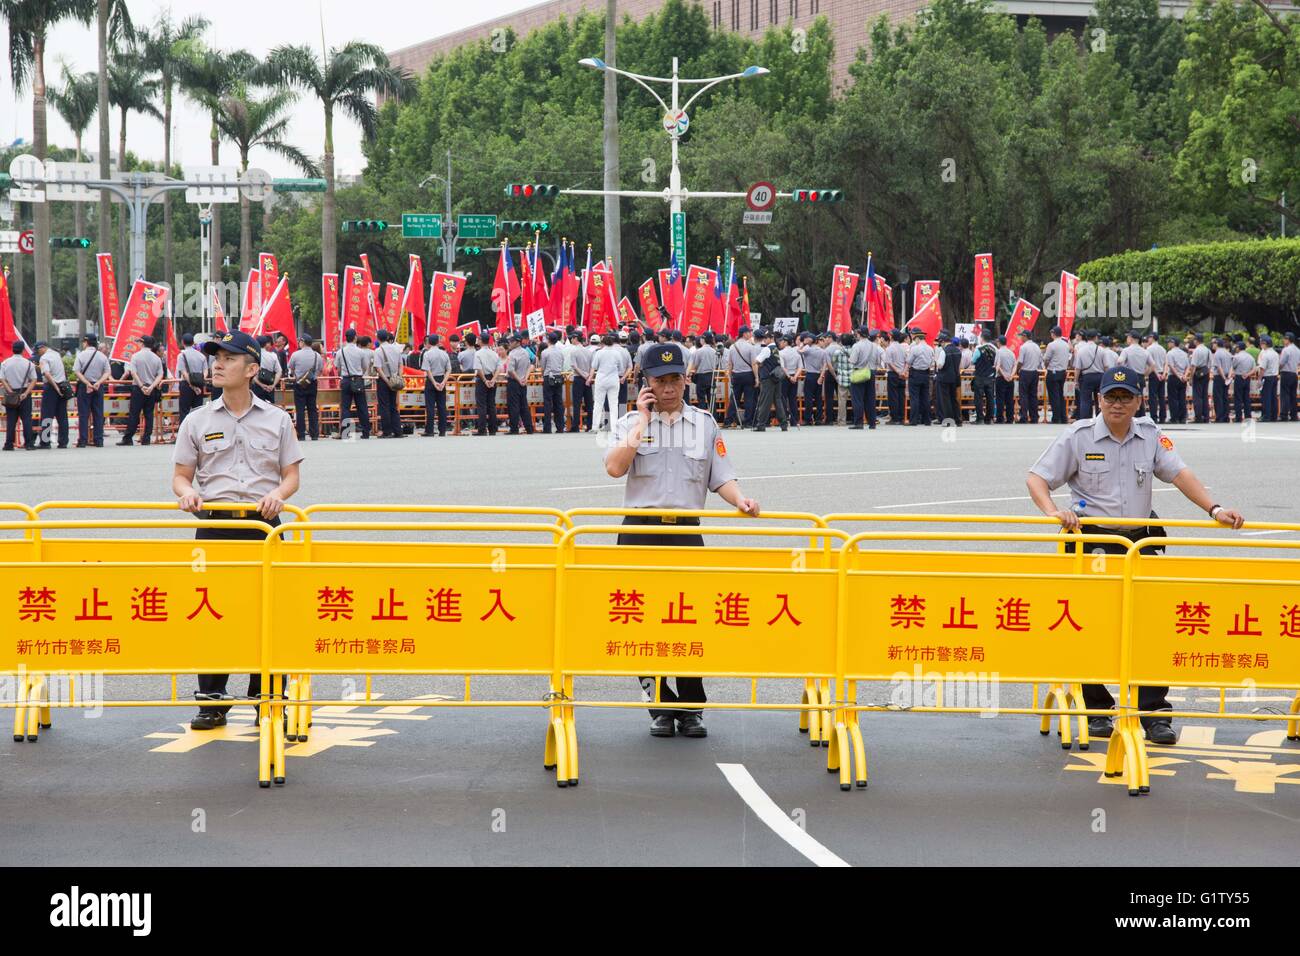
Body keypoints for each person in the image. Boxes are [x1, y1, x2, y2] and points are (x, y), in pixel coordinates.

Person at [1026, 365, 1244, 746]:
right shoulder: (1078, 436)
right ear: (1099, 400)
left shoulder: (1151, 436)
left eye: (1126, 398)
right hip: (1092, 540)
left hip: (1141, 540)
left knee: (1151, 624)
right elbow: (1037, 477)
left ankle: (1153, 712)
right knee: (1089, 623)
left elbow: (1180, 474)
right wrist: (1052, 512)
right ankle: (1097, 709)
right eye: (1111, 397)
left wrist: (1214, 509)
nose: (1118, 404)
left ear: (1139, 402)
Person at [603, 342, 760, 738]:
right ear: (646, 383)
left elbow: (720, 476)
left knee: (689, 618)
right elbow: (614, 468)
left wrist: (740, 500)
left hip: (686, 532)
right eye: (660, 380)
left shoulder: (705, 424)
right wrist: (642, 421)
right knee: (639, 620)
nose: (669, 388)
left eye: (675, 380)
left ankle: (691, 708)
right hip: (639, 530)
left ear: (686, 380)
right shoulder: (628, 424)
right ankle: (659, 706)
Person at [172, 330, 303, 731]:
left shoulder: (278, 419)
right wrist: (187, 494)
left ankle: (267, 700)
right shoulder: (197, 420)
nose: (217, 364)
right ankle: (211, 701)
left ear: (251, 369)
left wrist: (279, 495)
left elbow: (291, 475)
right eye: (216, 357)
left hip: (264, 528)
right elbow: (180, 476)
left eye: (228, 358)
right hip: (215, 527)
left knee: (269, 613)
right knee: (212, 611)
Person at [118, 336, 164, 446]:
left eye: (139, 341)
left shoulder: (135, 356)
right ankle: (146, 438)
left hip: (138, 389)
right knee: (149, 414)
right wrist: (152, 386)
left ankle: (128, 438)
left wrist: (142, 386)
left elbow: (133, 373)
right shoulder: (156, 358)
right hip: (151, 389)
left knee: (134, 414)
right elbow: (160, 374)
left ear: (142, 343)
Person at [73, 333, 110, 447]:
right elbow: (108, 372)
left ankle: (83, 440)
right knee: (98, 414)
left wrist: (87, 383)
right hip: (98, 387)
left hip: (85, 387)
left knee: (83, 414)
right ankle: (98, 440)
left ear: (86, 342)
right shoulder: (102, 356)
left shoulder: (81, 355)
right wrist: (98, 382)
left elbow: (77, 371)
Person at [335, 328, 373, 440]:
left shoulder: (340, 352)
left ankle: (346, 433)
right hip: (358, 379)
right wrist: (358, 372)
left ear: (346, 338)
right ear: (355, 338)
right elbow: (365, 366)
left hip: (346, 380)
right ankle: (366, 433)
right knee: (362, 406)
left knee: (346, 407)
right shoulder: (361, 351)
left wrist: (343, 374)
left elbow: (337, 367)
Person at [750, 328, 789, 431]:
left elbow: (756, 361)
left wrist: (761, 364)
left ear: (771, 338)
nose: (764, 340)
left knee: (764, 401)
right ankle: (784, 424)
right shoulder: (777, 350)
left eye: (766, 338)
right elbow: (781, 365)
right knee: (778, 400)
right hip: (777, 377)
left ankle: (761, 424)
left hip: (767, 379)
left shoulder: (767, 349)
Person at [1, 341, 38, 451]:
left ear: (13, 349)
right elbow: (34, 379)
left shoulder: (5, 363)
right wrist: (26, 393)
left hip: (11, 393)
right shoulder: (29, 363)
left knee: (11, 420)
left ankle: (9, 444)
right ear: (23, 350)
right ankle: (29, 443)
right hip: (24, 393)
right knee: (27, 419)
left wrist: (10, 390)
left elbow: (2, 378)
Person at [34, 341, 70, 449]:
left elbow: (47, 374)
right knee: (62, 416)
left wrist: (55, 387)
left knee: (46, 416)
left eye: (38, 350)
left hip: (51, 388)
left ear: (42, 348)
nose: (38, 353)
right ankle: (63, 442)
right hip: (63, 386)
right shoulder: (56, 354)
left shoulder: (44, 358)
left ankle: (45, 442)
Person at [287, 334, 323, 441]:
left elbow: (291, 368)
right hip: (312, 383)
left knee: (300, 409)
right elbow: (320, 370)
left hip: (299, 384)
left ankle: (301, 434)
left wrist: (298, 374)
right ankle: (314, 434)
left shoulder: (296, 355)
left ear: (302, 342)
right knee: (312, 409)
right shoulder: (317, 355)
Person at [374, 329, 406, 438]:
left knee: (384, 406)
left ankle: (387, 431)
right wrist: (399, 378)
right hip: (395, 378)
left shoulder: (378, 351)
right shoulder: (396, 349)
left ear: (378, 338)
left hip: (384, 380)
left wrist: (387, 382)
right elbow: (401, 365)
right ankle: (398, 431)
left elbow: (378, 368)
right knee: (394, 405)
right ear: (388, 337)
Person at [724, 326, 757, 428]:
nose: (750, 334)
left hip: (736, 375)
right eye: (749, 332)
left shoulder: (732, 347)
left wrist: (729, 376)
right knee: (749, 399)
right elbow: (754, 364)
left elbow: (730, 364)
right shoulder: (750, 347)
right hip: (748, 374)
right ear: (744, 334)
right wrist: (756, 377)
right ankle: (748, 421)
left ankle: (729, 420)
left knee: (734, 398)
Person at [850, 325, 882, 429]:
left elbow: (853, 361)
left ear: (859, 334)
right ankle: (872, 422)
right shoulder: (875, 346)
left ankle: (859, 422)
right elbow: (878, 361)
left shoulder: (857, 346)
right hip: (871, 372)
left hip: (859, 372)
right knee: (870, 398)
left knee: (858, 399)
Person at [420, 334, 450, 437]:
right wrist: (443, 382)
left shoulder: (427, 354)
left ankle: (430, 430)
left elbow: (427, 370)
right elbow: (449, 369)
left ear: (429, 342)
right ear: (438, 342)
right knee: (442, 406)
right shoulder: (444, 354)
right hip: (441, 379)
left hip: (431, 380)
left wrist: (433, 382)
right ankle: (442, 430)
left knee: (430, 407)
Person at [175, 333, 208, 424]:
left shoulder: (181, 355)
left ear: (182, 342)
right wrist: (201, 381)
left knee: (184, 411)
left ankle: (184, 434)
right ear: (193, 342)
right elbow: (205, 371)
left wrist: (192, 386)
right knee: (198, 411)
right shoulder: (201, 356)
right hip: (199, 385)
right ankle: (197, 433)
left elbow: (184, 373)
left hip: (186, 385)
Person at [539, 332, 566, 434]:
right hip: (558, 376)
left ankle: (547, 427)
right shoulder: (560, 352)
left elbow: (543, 367)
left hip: (548, 376)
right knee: (558, 402)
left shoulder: (545, 352)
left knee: (548, 402)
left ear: (548, 340)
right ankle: (560, 427)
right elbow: (562, 363)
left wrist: (543, 373)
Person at [1073, 329, 1103, 419]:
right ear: (1096, 338)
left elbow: (1077, 367)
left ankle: (1085, 420)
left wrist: (1076, 380)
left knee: (1085, 400)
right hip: (1099, 376)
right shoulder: (1101, 350)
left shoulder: (1081, 350)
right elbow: (1106, 366)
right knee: (1100, 400)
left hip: (1086, 377)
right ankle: (1100, 419)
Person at [567, 329, 593, 431]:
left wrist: (583, 375)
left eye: (572, 338)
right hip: (588, 379)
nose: (571, 340)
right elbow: (592, 366)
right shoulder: (588, 351)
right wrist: (588, 377)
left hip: (578, 378)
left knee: (577, 403)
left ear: (576, 338)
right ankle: (590, 425)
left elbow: (574, 366)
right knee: (589, 403)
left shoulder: (574, 351)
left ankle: (575, 426)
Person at [1043, 326, 1070, 424]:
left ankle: (1056, 418)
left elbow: (1046, 359)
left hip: (1053, 371)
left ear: (1053, 334)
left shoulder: (1051, 345)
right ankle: (1063, 417)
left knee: (1054, 396)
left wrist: (1046, 367)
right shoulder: (1066, 345)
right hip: (1062, 372)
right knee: (1060, 394)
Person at [687, 331, 717, 417]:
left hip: (701, 376)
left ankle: (703, 417)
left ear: (703, 340)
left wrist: (692, 373)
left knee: (701, 398)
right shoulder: (714, 351)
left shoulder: (698, 351)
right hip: (711, 375)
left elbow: (695, 365)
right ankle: (714, 416)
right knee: (712, 398)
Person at [1015, 330, 1042, 424]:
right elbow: (1040, 361)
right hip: (1035, 373)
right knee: (1033, 396)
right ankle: (1034, 417)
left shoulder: (1023, 347)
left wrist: (1017, 370)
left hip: (1025, 372)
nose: (1020, 338)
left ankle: (1024, 417)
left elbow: (1020, 361)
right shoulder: (1037, 347)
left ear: (1025, 336)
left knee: (1024, 396)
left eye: (1021, 336)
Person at [971, 331, 996, 424]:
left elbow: (973, 361)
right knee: (990, 398)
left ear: (982, 338)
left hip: (980, 376)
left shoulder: (979, 349)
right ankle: (989, 418)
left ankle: (980, 418)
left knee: (978, 398)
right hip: (990, 377)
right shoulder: (995, 349)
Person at [1144, 333, 1168, 425]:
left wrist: (1157, 374)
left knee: (1153, 397)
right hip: (1162, 374)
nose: (1148, 339)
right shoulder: (1163, 349)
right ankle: (1163, 417)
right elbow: (1166, 363)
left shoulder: (1149, 349)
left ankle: (1154, 417)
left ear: (1152, 338)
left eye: (1149, 337)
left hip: (1154, 374)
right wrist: (1164, 373)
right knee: (1162, 396)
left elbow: (1151, 364)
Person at [1164, 336, 1188, 424]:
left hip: (1174, 377)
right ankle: (1183, 417)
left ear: (1173, 343)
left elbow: (1171, 366)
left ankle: (1174, 418)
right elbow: (1188, 366)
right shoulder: (1184, 353)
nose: (1168, 344)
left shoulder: (1170, 353)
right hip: (1183, 378)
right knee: (1182, 398)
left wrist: (1178, 376)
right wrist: (1184, 376)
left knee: (1173, 398)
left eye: (1169, 342)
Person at [1231, 341, 1255, 423]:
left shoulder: (1237, 357)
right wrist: (1248, 374)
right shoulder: (1250, 357)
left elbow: (1233, 366)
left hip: (1239, 377)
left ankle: (1239, 417)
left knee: (1238, 398)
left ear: (1238, 348)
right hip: (1247, 378)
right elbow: (1254, 369)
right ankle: (1248, 415)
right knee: (1246, 398)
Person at [1189, 334, 1211, 423]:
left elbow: (1193, 365)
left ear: (1196, 340)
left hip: (1197, 373)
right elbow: (1210, 363)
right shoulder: (1207, 350)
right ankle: (1206, 416)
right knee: (1204, 395)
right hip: (1206, 372)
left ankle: (1198, 417)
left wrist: (1190, 378)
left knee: (1197, 396)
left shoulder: (1196, 351)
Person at [1257, 336, 1280, 423]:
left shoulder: (1265, 354)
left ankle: (1266, 416)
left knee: (1266, 397)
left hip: (1267, 377)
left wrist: (1259, 379)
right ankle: (1274, 415)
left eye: (1261, 343)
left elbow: (1262, 368)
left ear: (1264, 344)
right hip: (1274, 376)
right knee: (1273, 397)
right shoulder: (1275, 353)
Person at [994, 335, 1016, 424]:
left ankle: (1000, 418)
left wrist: (1004, 375)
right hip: (1010, 379)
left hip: (1001, 378)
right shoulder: (1011, 352)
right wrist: (1011, 375)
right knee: (1009, 399)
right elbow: (1015, 365)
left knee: (1000, 399)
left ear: (999, 342)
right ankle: (1010, 418)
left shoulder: (998, 352)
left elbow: (998, 366)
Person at [253, 334, 281, 403]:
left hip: (257, 386)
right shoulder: (273, 356)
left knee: (257, 409)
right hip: (270, 385)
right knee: (270, 408)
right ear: (266, 344)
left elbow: (252, 373)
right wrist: (273, 385)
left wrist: (261, 385)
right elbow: (279, 371)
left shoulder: (254, 356)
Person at [1210, 337, 1233, 424]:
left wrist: (1223, 377)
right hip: (1227, 376)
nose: (1212, 345)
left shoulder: (1217, 354)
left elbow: (1219, 367)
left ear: (1216, 344)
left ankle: (1219, 417)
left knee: (1218, 397)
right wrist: (1229, 377)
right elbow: (1232, 366)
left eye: (1213, 343)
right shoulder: (1228, 353)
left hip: (1220, 377)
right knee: (1225, 397)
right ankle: (1226, 416)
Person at [1280, 331, 1299, 422]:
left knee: (1285, 395)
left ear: (1288, 340)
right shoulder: (1297, 350)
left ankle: (1284, 414)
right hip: (1294, 373)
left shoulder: (1286, 350)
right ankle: (1294, 415)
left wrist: (1278, 369)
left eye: (1285, 339)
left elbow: (1282, 362)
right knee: (1293, 395)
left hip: (1286, 373)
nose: (1283, 340)